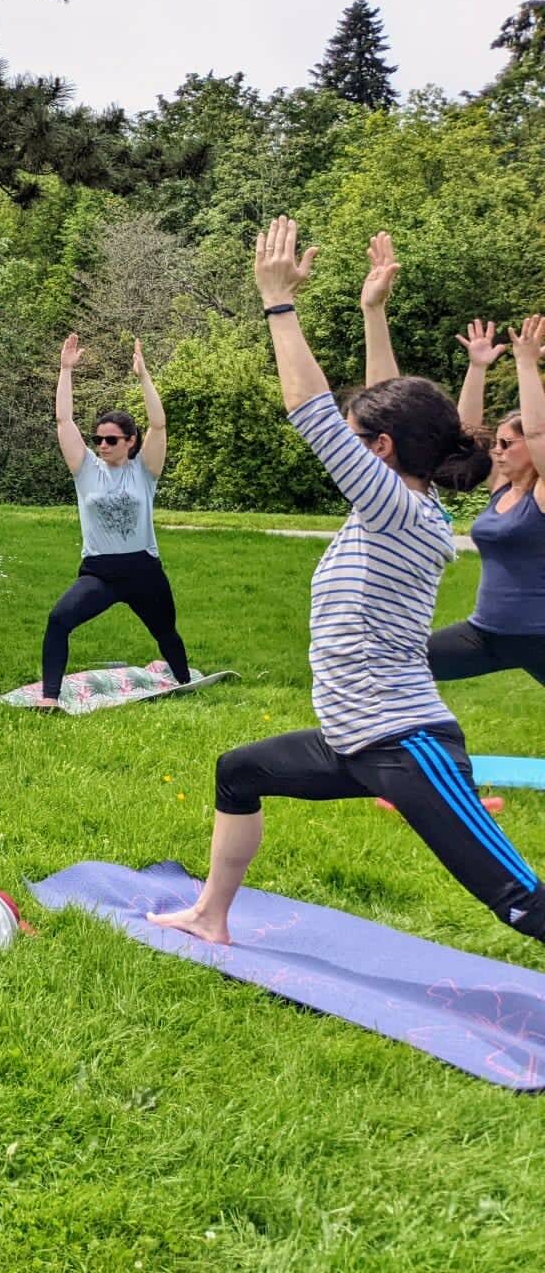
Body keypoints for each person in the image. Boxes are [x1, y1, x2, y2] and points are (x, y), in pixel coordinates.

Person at [152, 216, 540, 947]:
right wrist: (373, 311)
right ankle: (210, 915)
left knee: (523, 904)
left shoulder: (397, 509)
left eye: (360, 442)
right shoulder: (401, 501)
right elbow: (392, 409)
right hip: (351, 740)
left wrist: (278, 303)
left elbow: (311, 412)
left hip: (406, 743)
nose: (349, 450)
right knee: (238, 772)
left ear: (381, 451)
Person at [362, 242, 545, 688]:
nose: (496, 450)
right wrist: (477, 368)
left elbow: (539, 432)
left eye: (507, 443)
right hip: (486, 634)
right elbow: (464, 437)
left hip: (541, 637)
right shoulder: (501, 486)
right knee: (399, 666)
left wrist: (525, 364)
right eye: (497, 443)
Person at [38, 333, 191, 707]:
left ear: (130, 441)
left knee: (166, 633)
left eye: (111, 440)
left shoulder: (145, 470)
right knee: (59, 620)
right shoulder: (85, 468)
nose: (102, 445)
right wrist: (65, 370)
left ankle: (185, 682)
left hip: (144, 570)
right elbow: (63, 420)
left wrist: (143, 376)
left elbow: (159, 425)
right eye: (98, 439)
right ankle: (49, 698)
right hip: (100, 573)